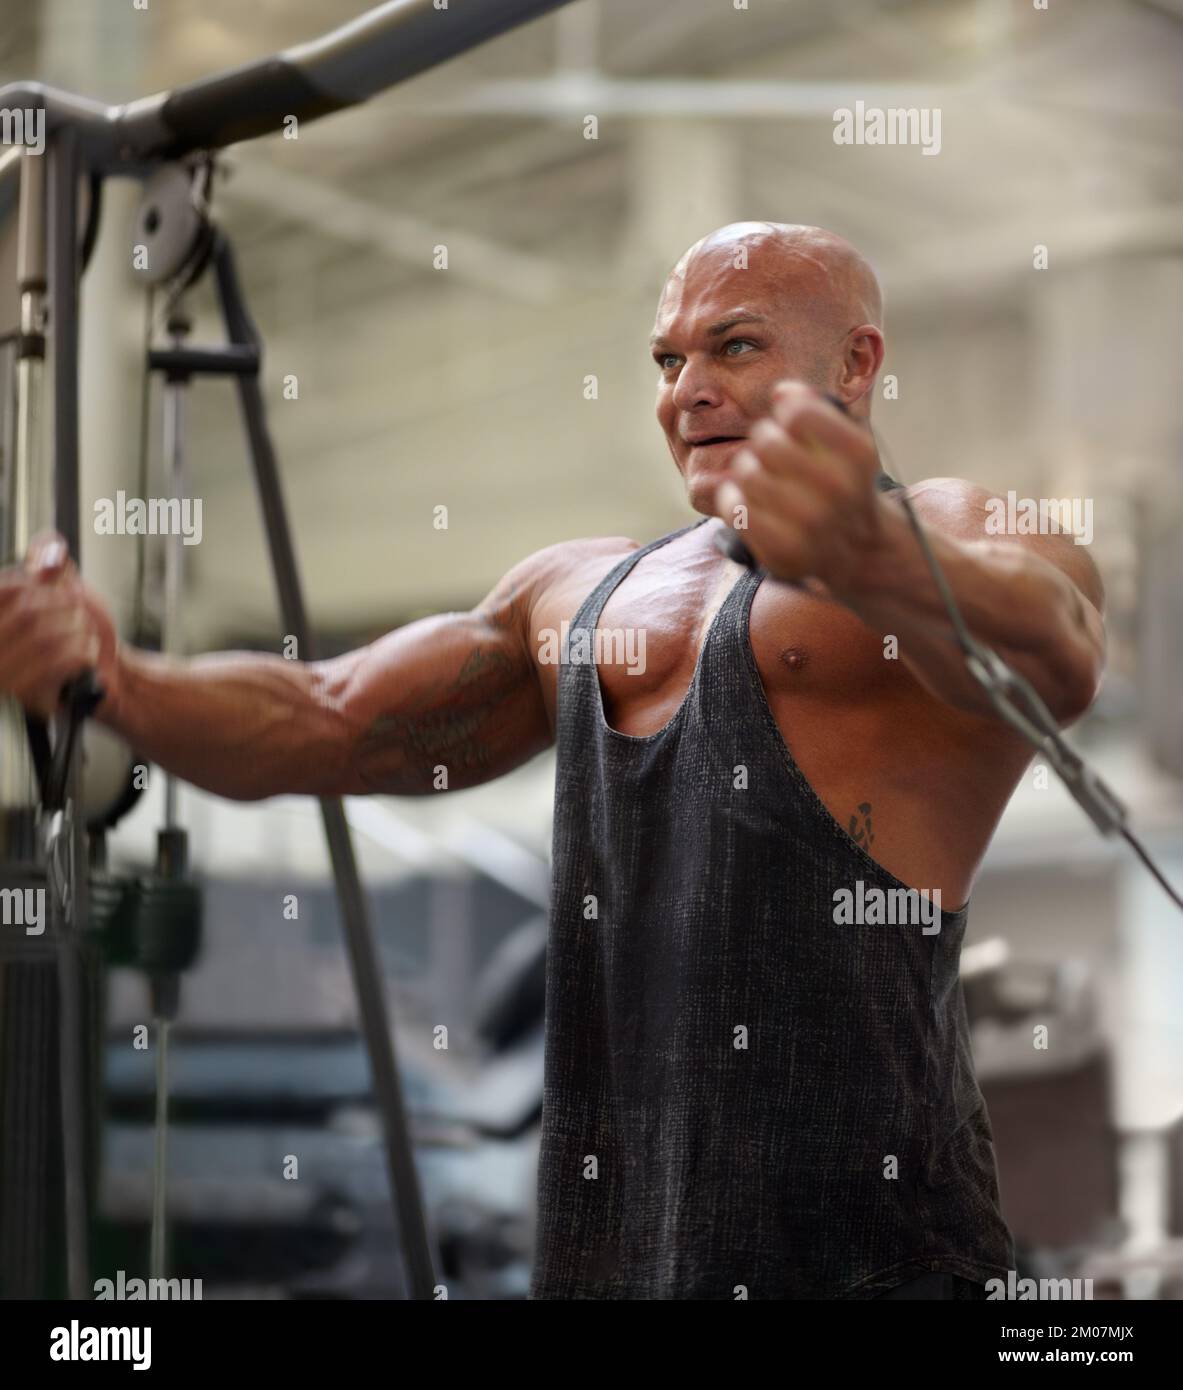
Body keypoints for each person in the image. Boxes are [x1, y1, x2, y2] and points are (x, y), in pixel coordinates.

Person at [0, 221, 1105, 1299]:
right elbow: (328, 716)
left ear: (857, 362)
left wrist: (869, 555)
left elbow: (1056, 641)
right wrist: (114, 675)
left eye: (735, 345)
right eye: (669, 360)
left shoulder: (947, 534)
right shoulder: (580, 593)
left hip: (875, 1259)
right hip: (615, 1255)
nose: (686, 392)